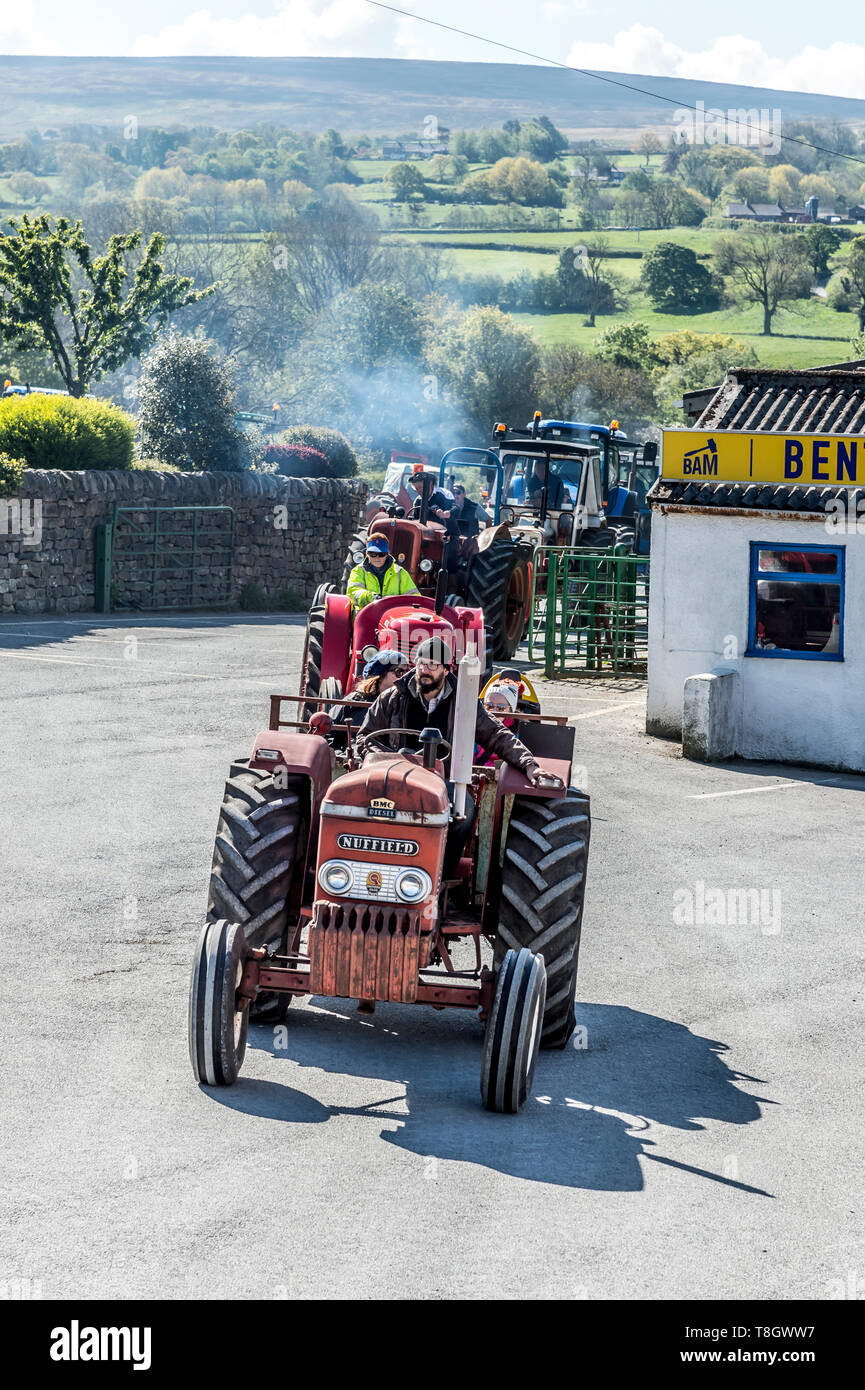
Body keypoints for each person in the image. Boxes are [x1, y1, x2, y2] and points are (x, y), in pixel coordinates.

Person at [357, 636, 559, 789]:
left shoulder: (463, 702)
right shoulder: (392, 698)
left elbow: (496, 734)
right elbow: (365, 737)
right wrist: (389, 762)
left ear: (446, 670)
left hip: (444, 782)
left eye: (433, 665)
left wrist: (529, 764)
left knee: (463, 819)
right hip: (396, 779)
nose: (425, 670)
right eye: (421, 664)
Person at [328, 649, 409, 746]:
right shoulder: (354, 701)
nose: (404, 677)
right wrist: (339, 756)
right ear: (380, 674)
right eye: (399, 672)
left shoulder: (408, 702)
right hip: (355, 757)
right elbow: (328, 732)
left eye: (407, 672)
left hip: (392, 758)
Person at [346, 536, 419, 610]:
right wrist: (372, 598)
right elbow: (353, 592)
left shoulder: (400, 572)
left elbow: (415, 596)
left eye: (381, 554)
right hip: (365, 617)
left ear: (387, 554)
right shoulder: (358, 571)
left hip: (392, 617)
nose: (377, 558)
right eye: (373, 554)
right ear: (367, 554)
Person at [474, 681, 518, 766]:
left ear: (510, 710)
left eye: (500, 708)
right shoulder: (476, 726)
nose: (493, 711)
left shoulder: (517, 732)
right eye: (489, 706)